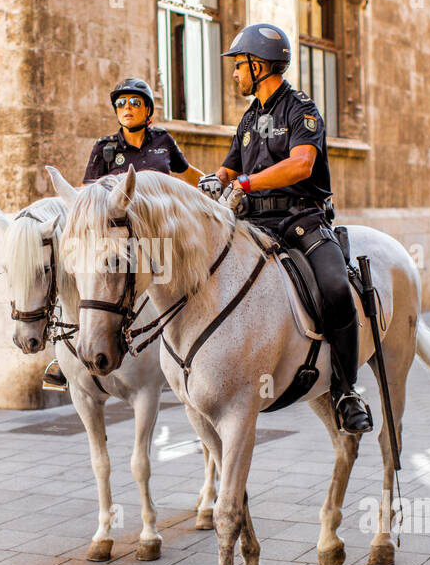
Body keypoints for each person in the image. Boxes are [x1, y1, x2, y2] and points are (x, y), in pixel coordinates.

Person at [198, 23, 372, 433]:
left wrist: (246, 183)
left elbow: (301, 164)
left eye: (239, 65)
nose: (235, 73)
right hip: (253, 220)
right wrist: (215, 180)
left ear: (259, 66)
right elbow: (230, 166)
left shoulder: (301, 109)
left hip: (300, 219)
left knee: (334, 289)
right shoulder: (249, 117)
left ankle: (346, 391)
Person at [44, 79, 206, 390]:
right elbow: (89, 196)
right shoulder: (104, 148)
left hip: (159, 239)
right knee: (89, 279)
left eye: (134, 103)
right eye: (121, 104)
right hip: (116, 239)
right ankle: (66, 357)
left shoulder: (163, 141)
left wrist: (217, 187)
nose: (127, 109)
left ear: (148, 110)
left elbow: (189, 176)